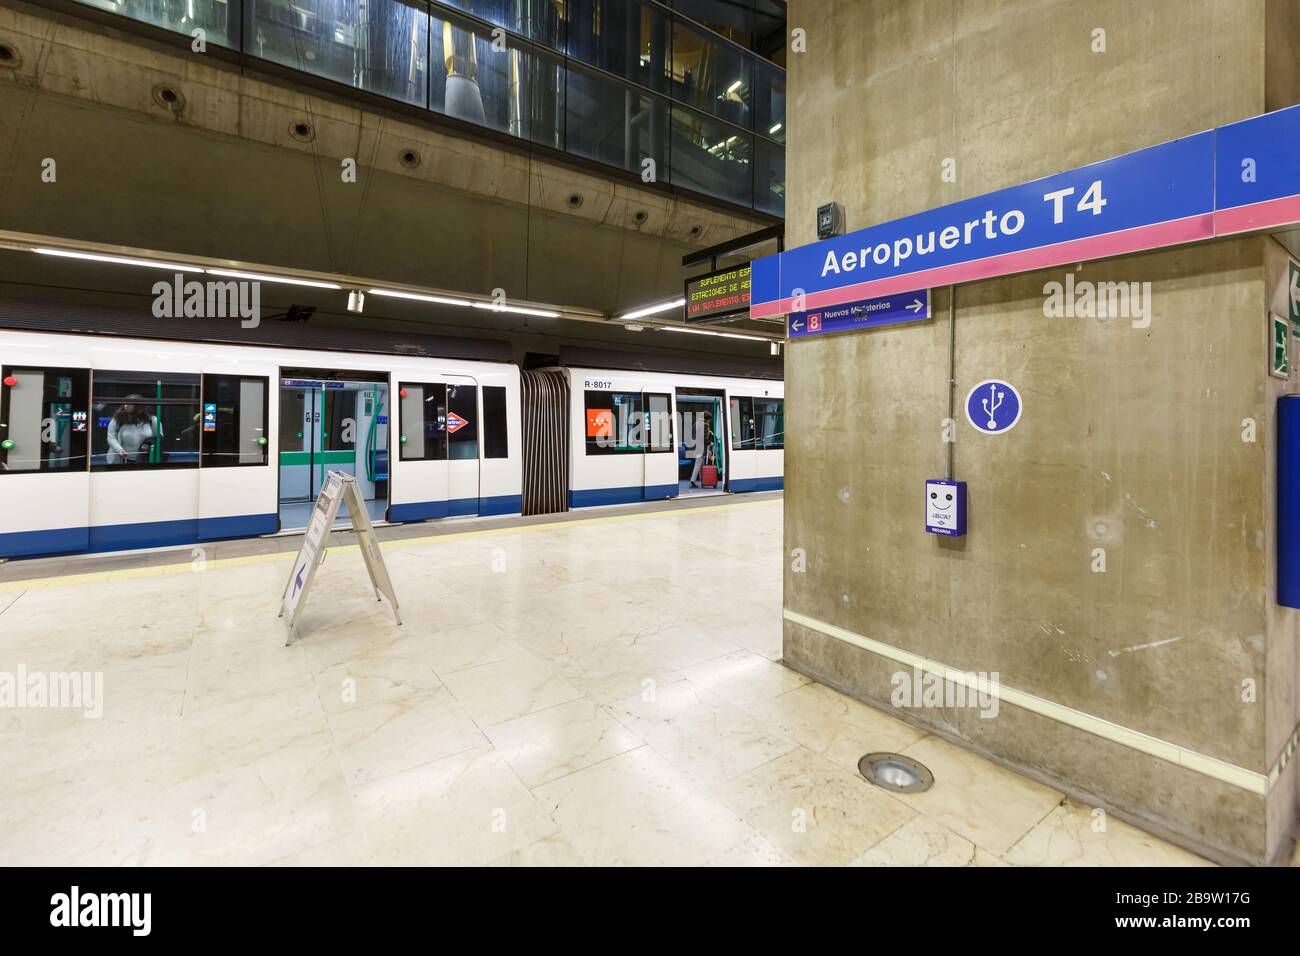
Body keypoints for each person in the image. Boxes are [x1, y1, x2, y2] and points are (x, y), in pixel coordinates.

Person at [106, 395, 161, 465]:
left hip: (145, 460)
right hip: (122, 460)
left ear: (138, 406)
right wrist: (119, 449)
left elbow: (159, 439)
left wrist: (150, 445)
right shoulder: (117, 420)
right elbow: (111, 437)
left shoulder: (153, 420)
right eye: (125, 403)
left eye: (129, 404)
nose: (126, 405)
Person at [687, 412, 715, 488]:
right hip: (700, 447)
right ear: (707, 419)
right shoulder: (705, 425)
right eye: (709, 420)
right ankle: (692, 482)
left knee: (700, 464)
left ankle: (703, 481)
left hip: (694, 446)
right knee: (698, 464)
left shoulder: (695, 423)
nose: (709, 421)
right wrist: (710, 442)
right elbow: (703, 438)